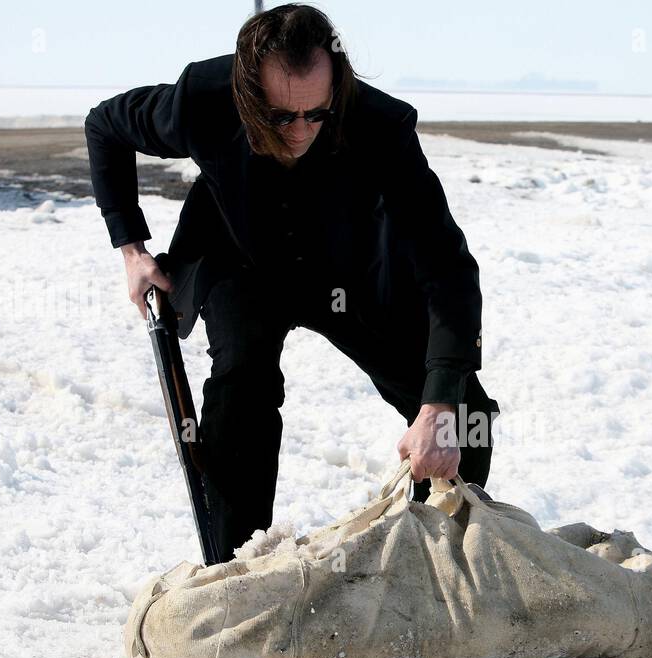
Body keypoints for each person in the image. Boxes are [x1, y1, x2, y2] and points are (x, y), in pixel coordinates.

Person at [84, 4, 499, 560]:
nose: (300, 131)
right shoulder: (201, 97)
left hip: (349, 276)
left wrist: (439, 405)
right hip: (241, 262)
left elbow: (445, 263)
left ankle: (433, 563)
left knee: (466, 414)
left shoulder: (381, 124)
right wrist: (132, 249)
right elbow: (105, 126)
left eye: (316, 114)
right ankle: (238, 569)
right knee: (241, 388)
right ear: (246, 93)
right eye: (281, 117)